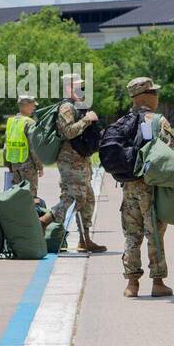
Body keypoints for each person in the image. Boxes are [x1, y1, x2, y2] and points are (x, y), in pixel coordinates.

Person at [119, 77, 174, 298]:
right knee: (154, 232)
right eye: (154, 93)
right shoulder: (159, 120)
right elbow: (170, 151)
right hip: (151, 186)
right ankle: (158, 282)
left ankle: (132, 284)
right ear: (145, 97)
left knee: (131, 234)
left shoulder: (124, 120)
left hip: (128, 187)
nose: (157, 97)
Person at [42, 74, 105, 252]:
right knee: (74, 198)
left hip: (80, 159)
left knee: (88, 199)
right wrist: (87, 119)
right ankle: (44, 222)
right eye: (77, 87)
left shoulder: (78, 106)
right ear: (67, 87)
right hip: (70, 161)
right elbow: (68, 132)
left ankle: (85, 240)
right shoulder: (66, 107)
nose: (81, 90)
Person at [4, 95, 44, 205]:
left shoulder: (11, 122)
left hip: (15, 164)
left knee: (17, 196)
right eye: (32, 105)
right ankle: (29, 221)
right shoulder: (29, 123)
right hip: (28, 166)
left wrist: (8, 164)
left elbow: (6, 145)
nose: (34, 108)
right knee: (30, 198)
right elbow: (33, 147)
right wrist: (39, 166)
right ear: (26, 106)